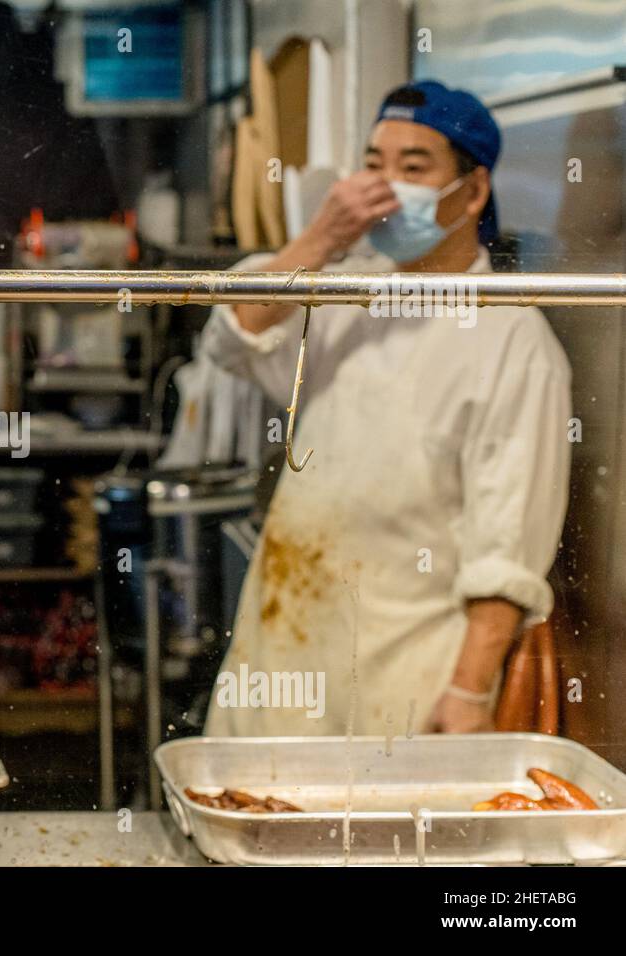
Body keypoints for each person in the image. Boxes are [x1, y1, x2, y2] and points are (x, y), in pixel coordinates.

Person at [202, 80, 571, 736]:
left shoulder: (514, 340)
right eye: (374, 165)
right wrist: (320, 241)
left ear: (474, 191)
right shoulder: (346, 291)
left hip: (403, 685)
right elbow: (231, 335)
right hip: (279, 660)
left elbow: (506, 550)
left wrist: (468, 692)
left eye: (413, 168)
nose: (386, 185)